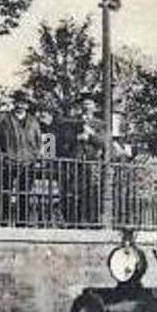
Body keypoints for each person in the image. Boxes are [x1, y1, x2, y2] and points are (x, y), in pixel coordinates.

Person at [0, 90, 42, 224]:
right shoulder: (4, 118)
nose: (21, 105)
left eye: (24, 103)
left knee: (25, 194)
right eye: (19, 102)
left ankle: (22, 223)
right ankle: (3, 222)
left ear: (28, 105)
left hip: (27, 163)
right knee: (5, 193)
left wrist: (35, 156)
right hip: (8, 162)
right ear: (15, 103)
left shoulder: (33, 121)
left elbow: (38, 141)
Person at [56, 94, 103, 225]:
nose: (87, 107)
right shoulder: (72, 122)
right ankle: (72, 221)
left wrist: (91, 136)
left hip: (92, 161)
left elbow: (104, 142)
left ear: (94, 107)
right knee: (73, 191)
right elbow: (64, 139)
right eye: (84, 104)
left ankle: (91, 221)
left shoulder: (100, 124)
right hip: (75, 161)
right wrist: (77, 137)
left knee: (92, 192)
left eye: (90, 104)